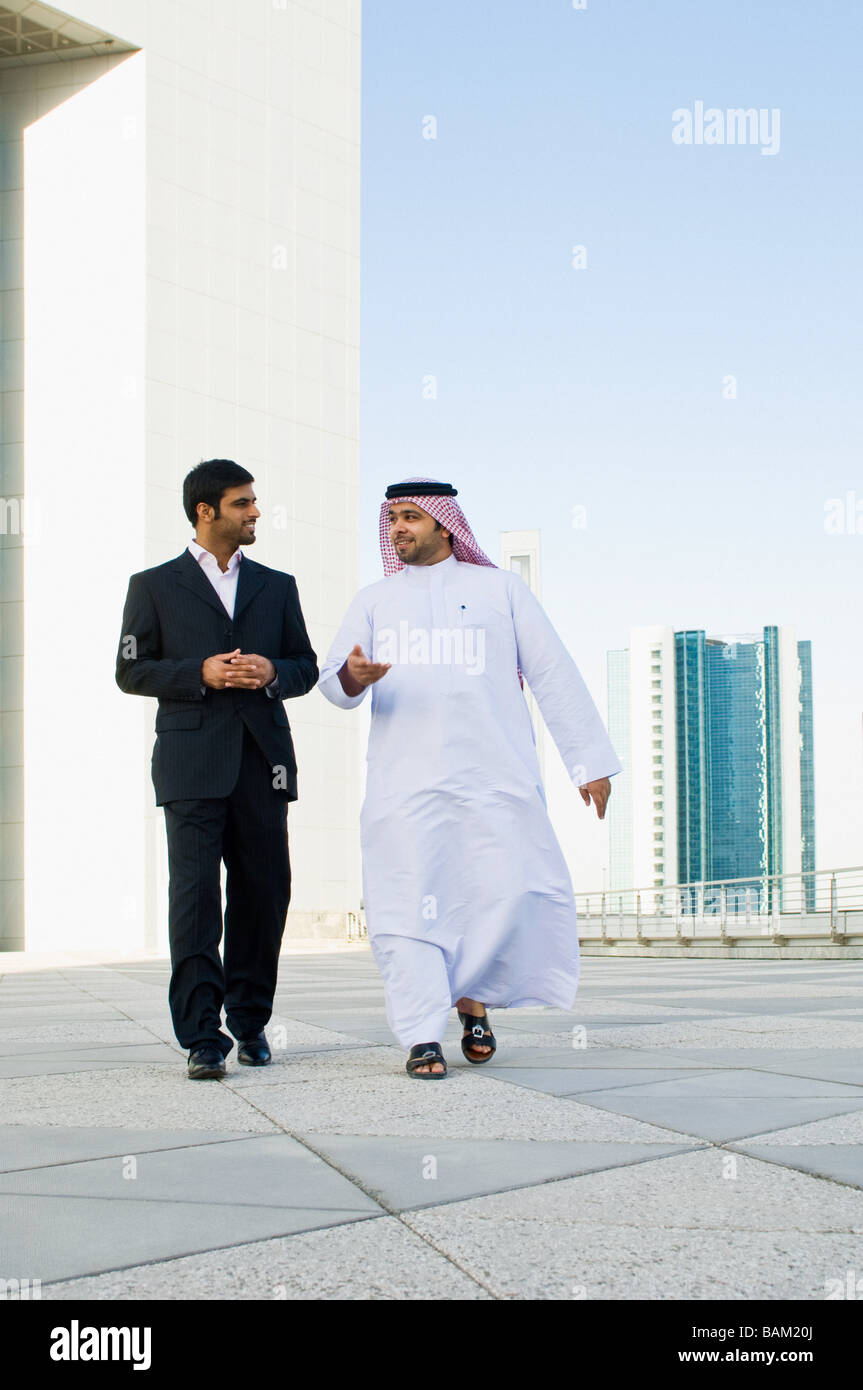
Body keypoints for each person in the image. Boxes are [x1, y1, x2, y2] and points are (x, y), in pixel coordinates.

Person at [317, 478, 621, 1077]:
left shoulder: (500, 590)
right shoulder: (375, 601)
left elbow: (552, 671)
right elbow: (333, 683)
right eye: (393, 518)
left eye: (411, 516)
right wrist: (353, 675)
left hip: (493, 778)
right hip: (404, 787)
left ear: (444, 524)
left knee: (493, 895)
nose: (399, 527)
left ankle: (474, 1001)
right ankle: (421, 1035)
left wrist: (588, 762)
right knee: (404, 903)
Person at [115, 460, 318, 1079]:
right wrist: (196, 674)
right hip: (190, 764)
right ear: (205, 511)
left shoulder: (277, 586)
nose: (255, 512)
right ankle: (203, 1036)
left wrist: (273, 673)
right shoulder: (151, 586)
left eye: (254, 503)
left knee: (264, 894)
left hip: (263, 764)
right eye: (242, 503)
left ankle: (251, 1021)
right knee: (196, 900)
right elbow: (129, 669)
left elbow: (305, 664)